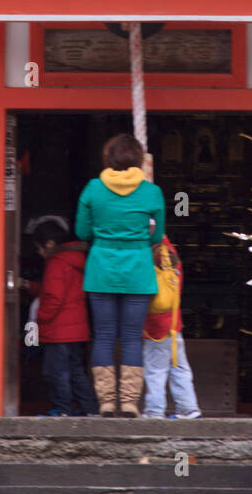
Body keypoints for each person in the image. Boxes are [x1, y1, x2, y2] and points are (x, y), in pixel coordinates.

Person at [75, 133, 165, 417]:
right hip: (138, 270)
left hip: (101, 268)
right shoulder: (151, 192)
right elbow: (158, 236)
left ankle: (106, 401)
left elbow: (81, 232)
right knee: (130, 337)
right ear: (139, 159)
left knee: (103, 335)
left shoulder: (92, 188)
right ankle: (128, 402)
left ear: (108, 159)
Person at [31, 215, 98, 416]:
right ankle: (90, 409)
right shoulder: (78, 261)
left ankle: (63, 410)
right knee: (77, 371)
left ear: (50, 244)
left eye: (39, 248)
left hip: (58, 330)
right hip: (78, 329)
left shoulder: (56, 263)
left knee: (56, 372)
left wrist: (39, 317)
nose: (39, 253)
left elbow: (53, 297)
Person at [143, 237, 201, 419]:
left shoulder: (150, 252)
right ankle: (188, 407)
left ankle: (154, 410)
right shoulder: (170, 252)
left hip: (155, 325)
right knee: (179, 366)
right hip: (174, 322)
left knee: (155, 369)